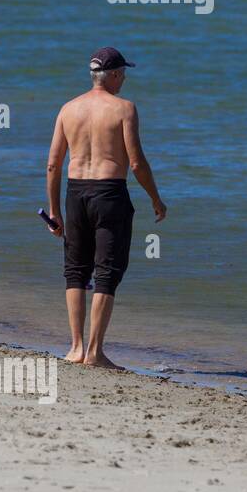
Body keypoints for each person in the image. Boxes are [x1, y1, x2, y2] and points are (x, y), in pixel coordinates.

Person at [45, 47, 166, 368]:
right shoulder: (124, 109)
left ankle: (75, 348)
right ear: (112, 75)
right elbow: (137, 162)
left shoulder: (68, 109)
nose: (124, 78)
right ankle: (95, 353)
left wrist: (54, 211)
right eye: (123, 73)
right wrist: (155, 197)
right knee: (107, 273)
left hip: (75, 194)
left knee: (75, 272)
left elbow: (53, 165)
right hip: (109, 194)